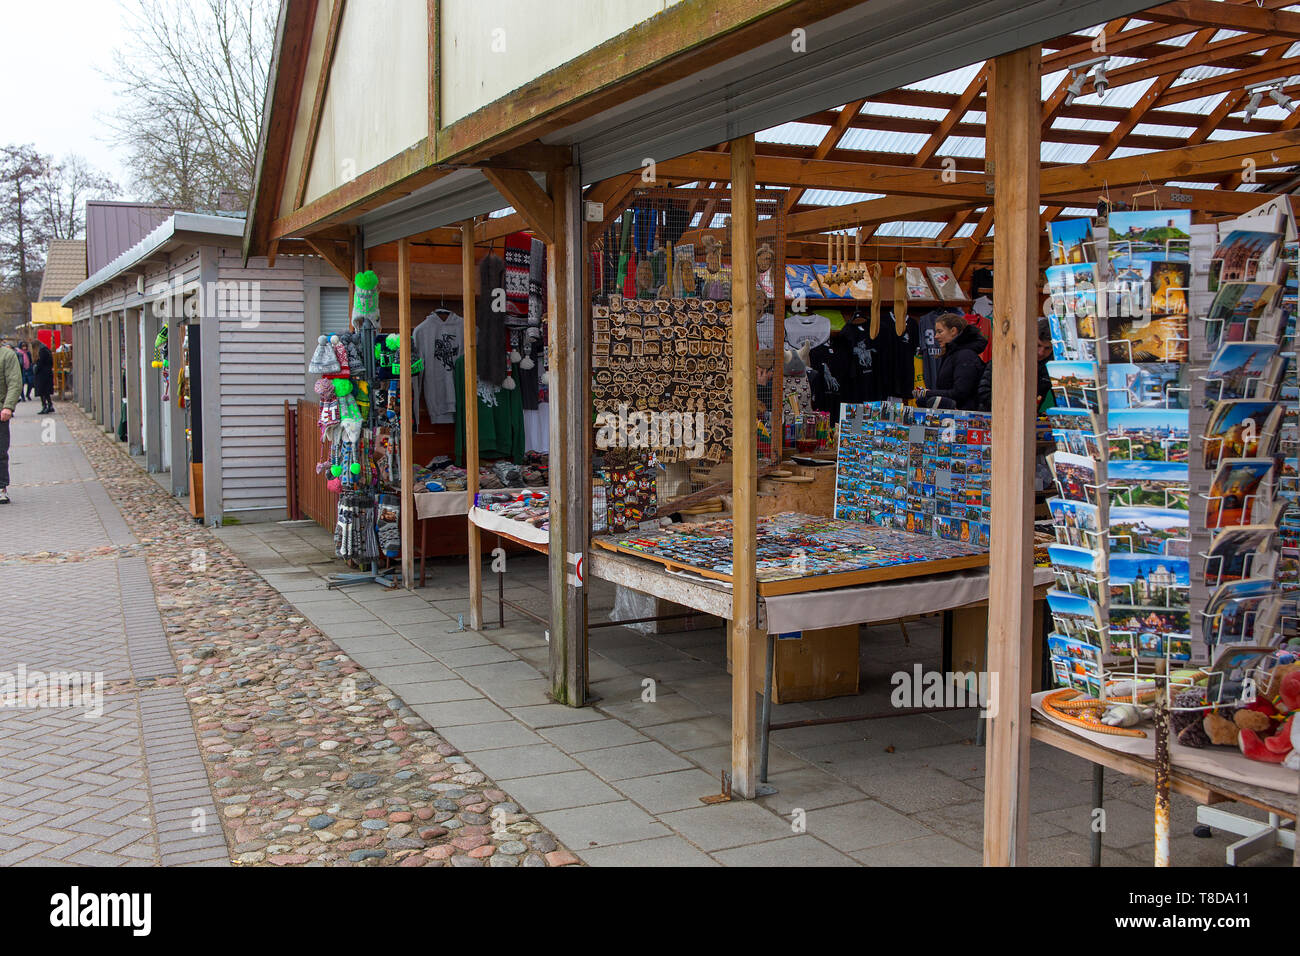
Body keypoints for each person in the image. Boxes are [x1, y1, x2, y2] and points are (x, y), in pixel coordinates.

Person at [976, 317, 1053, 413]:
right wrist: (1008, 411)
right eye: (1038, 345)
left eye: (1047, 348)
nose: (1041, 352)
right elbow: (984, 389)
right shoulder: (1008, 356)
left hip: (1028, 417)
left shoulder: (1053, 364)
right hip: (996, 414)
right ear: (1029, 340)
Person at [912, 313, 986, 410]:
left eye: (940, 332)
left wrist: (928, 393)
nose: (935, 336)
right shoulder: (952, 354)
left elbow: (960, 392)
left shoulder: (965, 356)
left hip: (963, 417)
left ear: (953, 331)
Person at [0, 343, 21, 503]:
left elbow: (14, 381)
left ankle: (1, 487)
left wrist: (8, 406)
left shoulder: (7, 355)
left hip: (0, 410)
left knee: (0, 450)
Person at [33, 341, 54, 414]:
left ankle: (45, 406)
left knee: (42, 391)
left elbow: (40, 363)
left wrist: (36, 369)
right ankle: (50, 405)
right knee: (46, 392)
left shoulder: (42, 352)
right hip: (47, 373)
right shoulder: (47, 350)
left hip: (42, 374)